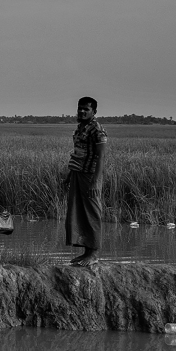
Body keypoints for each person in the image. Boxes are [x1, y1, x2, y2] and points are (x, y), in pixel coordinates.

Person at [66, 96, 106, 267]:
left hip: (90, 175)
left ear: (94, 112)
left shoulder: (97, 130)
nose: (82, 111)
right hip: (78, 173)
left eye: (86, 109)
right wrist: (70, 174)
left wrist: (95, 181)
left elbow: (101, 157)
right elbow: (78, 153)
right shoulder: (80, 128)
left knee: (92, 212)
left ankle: (94, 253)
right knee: (79, 212)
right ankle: (87, 251)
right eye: (80, 108)